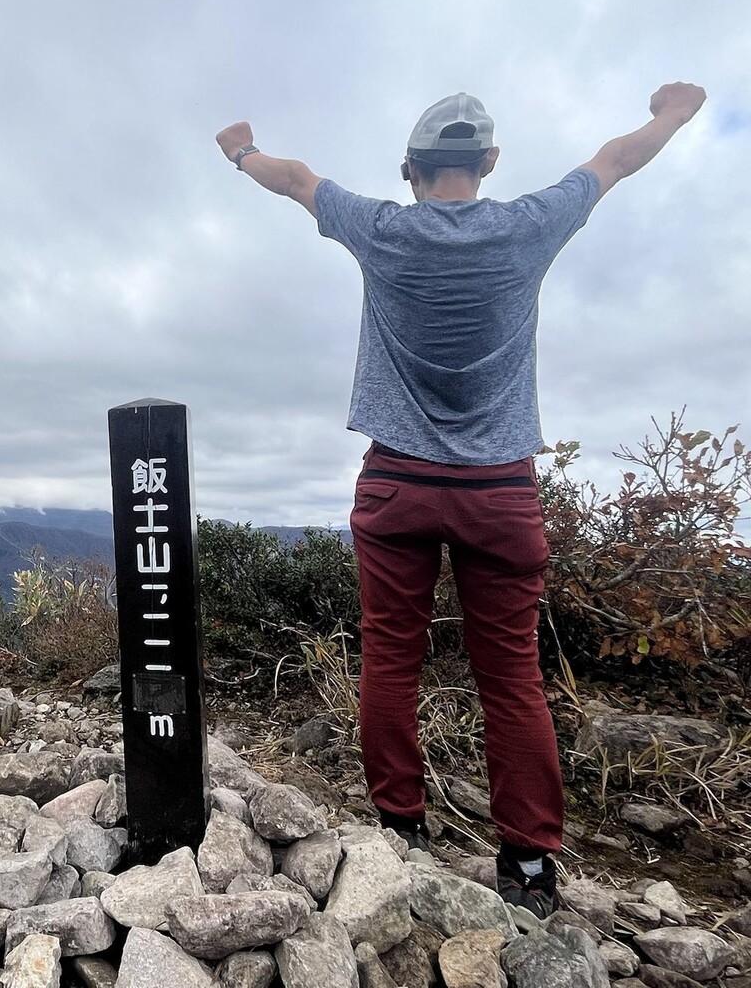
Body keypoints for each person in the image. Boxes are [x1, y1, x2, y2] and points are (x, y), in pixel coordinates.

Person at [216, 82, 706, 926]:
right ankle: (526, 862)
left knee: (392, 660)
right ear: (489, 163)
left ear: (410, 169)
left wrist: (239, 151)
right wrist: (674, 113)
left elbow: (295, 179)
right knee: (512, 676)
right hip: (500, 494)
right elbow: (618, 159)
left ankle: (399, 831)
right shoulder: (529, 226)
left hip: (398, 483)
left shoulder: (381, 228)